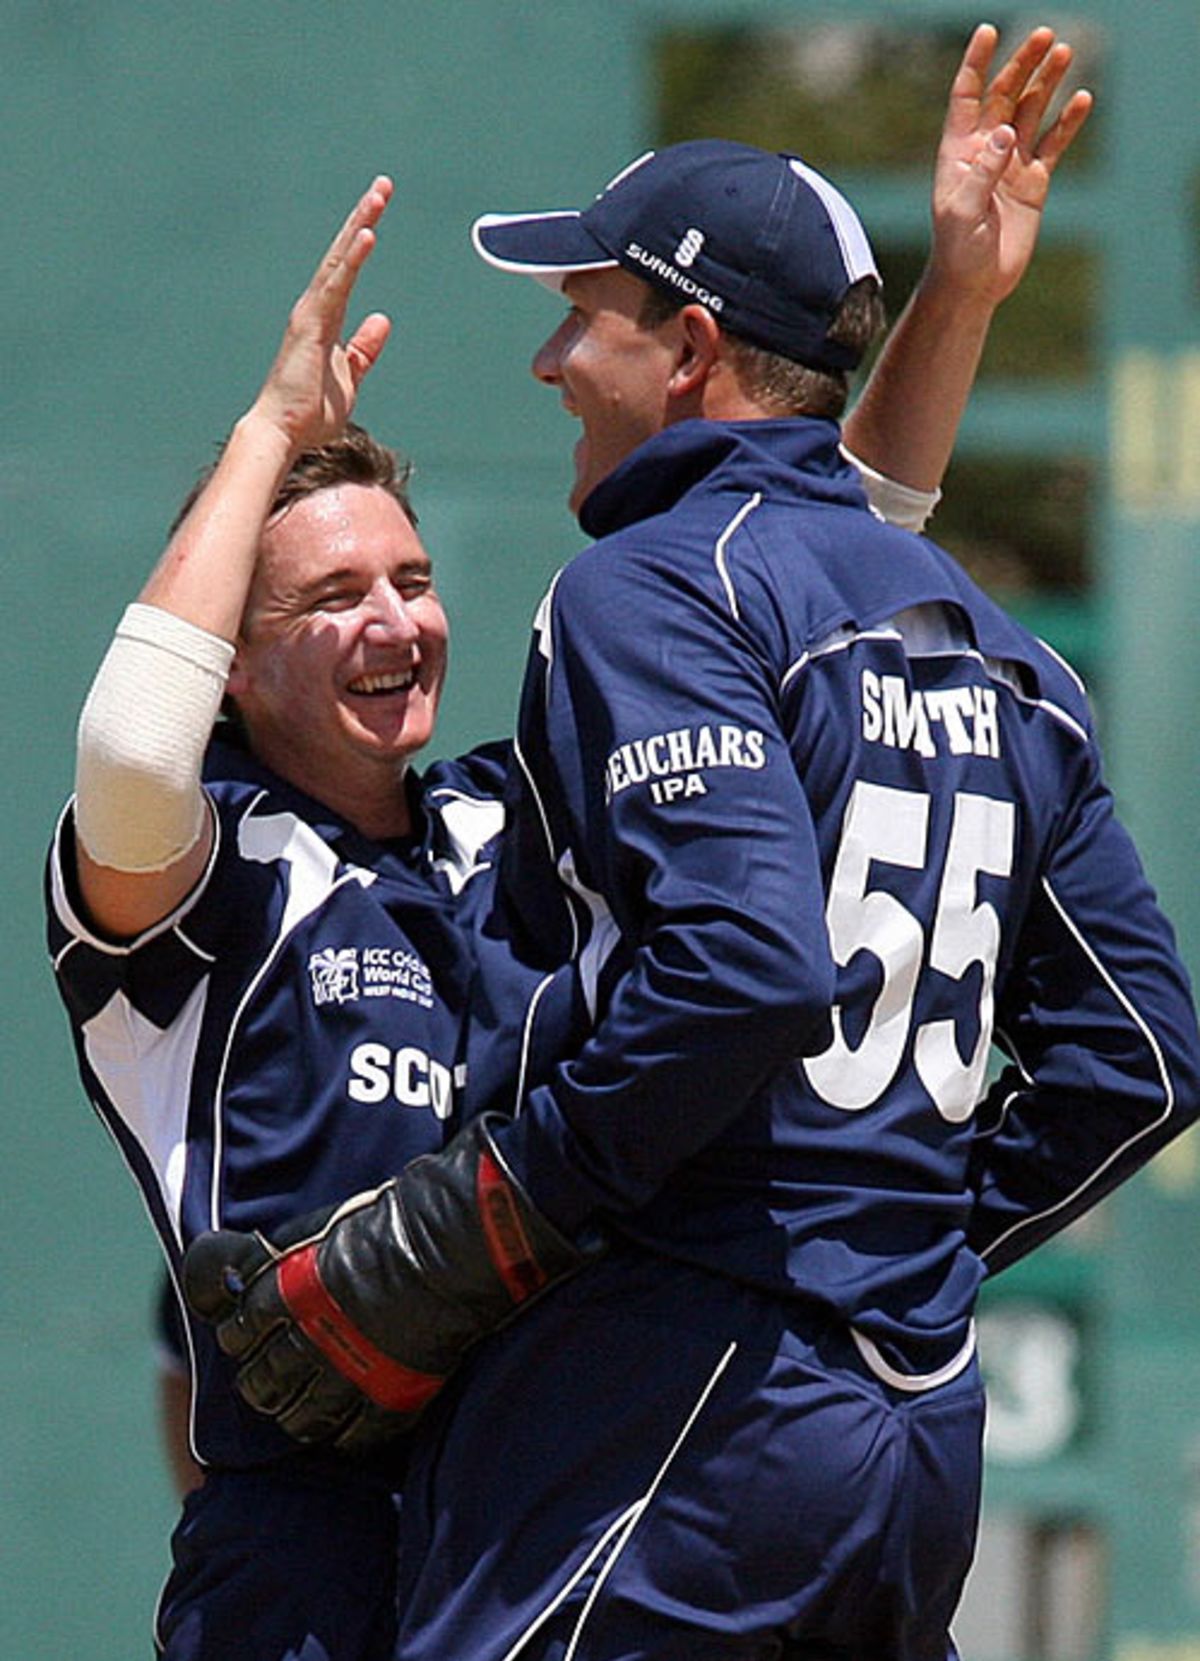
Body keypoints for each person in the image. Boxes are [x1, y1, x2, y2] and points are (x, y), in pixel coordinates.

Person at [177, 22, 1198, 1661]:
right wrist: (900, 1240)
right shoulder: (1006, 655)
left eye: (586, 314)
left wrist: (501, 1213)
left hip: (689, 1393)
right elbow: (1140, 1058)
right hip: (920, 1425)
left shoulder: (646, 582)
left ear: (692, 347)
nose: (552, 360)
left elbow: (743, 960)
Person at [45, 180, 509, 1661]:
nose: (397, 619)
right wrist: (268, 432)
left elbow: (795, 627)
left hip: (536, 1522)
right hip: (307, 1551)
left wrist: (949, 305)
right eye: (332, 596)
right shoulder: (206, 873)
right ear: (235, 668)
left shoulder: (505, 827)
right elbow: (128, 744)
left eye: (416, 579)